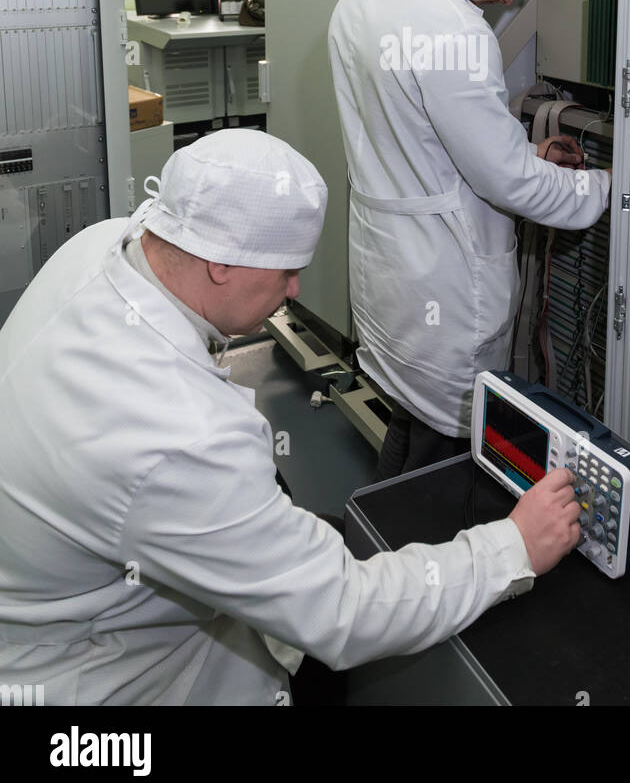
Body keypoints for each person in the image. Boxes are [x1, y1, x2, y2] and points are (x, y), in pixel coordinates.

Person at [0, 129, 581, 707]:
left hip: (64, 600)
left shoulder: (102, 244)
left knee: (320, 528)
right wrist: (514, 547)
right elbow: (345, 612)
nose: (295, 288)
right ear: (222, 264)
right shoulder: (175, 438)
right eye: (284, 272)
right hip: (117, 680)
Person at [328, 0, 611, 479]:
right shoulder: (454, 27)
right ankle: (420, 567)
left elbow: (419, 137)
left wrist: (527, 153)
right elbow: (510, 185)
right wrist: (610, 190)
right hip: (445, 281)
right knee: (447, 457)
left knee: (409, 424)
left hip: (390, 267)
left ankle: (380, 547)